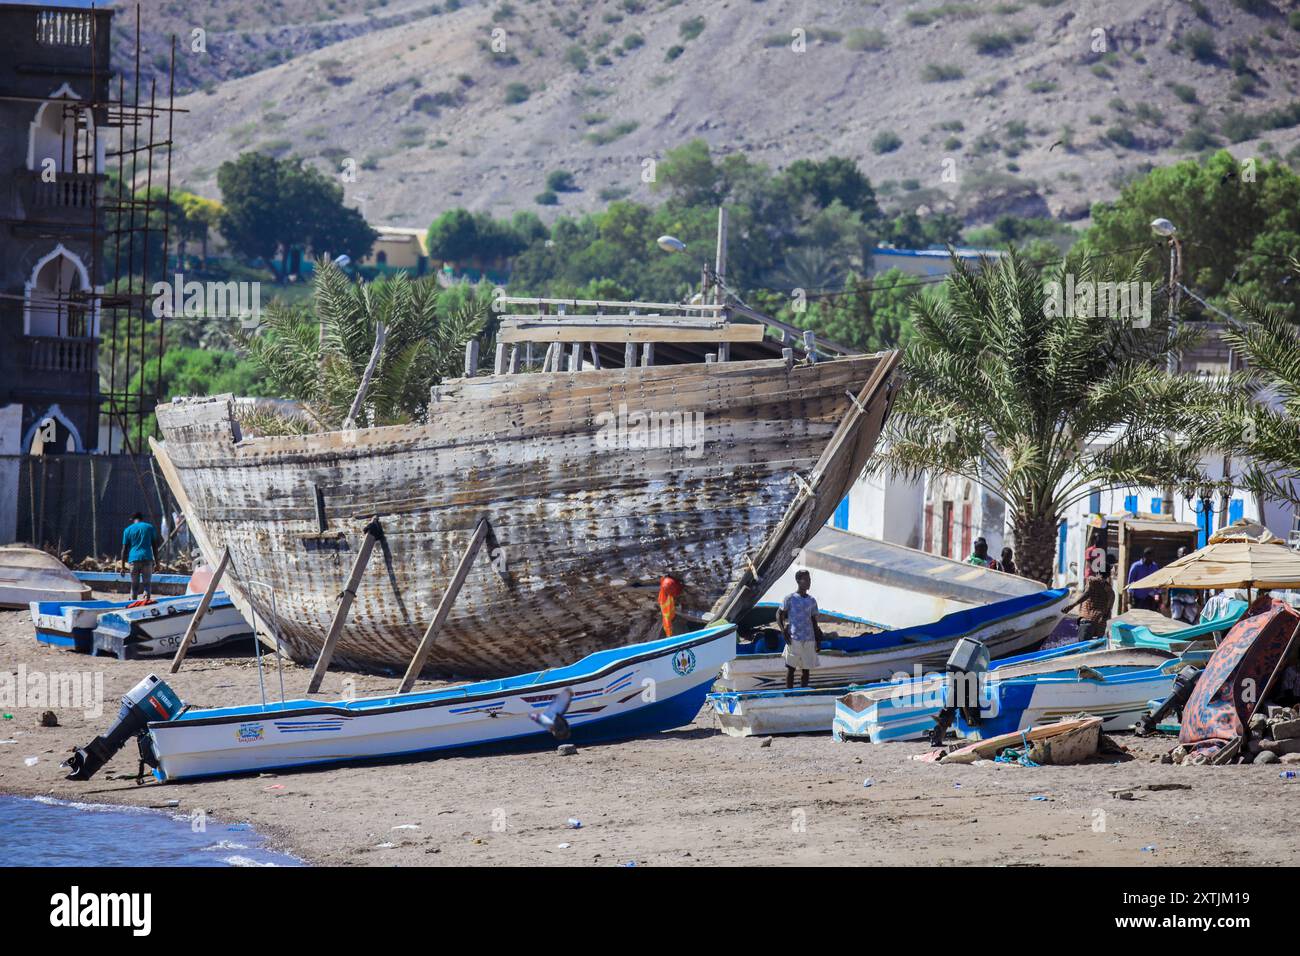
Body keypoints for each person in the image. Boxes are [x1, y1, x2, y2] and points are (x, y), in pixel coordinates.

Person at [777, 569, 822, 689]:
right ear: (798, 581)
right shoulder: (790, 598)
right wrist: (783, 631)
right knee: (791, 668)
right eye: (806, 580)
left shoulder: (812, 601)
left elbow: (813, 621)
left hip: (809, 639)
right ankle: (789, 693)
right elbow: (779, 614)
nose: (808, 582)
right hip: (794, 638)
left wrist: (818, 639)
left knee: (806, 669)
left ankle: (803, 692)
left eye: (809, 580)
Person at [1062, 564, 1114, 642]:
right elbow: (1108, 611)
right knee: (1093, 651)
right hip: (1100, 626)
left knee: (1082, 649)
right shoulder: (1111, 592)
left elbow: (1086, 594)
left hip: (1087, 621)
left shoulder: (1092, 581)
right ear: (1109, 575)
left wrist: (1071, 606)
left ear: (1097, 572)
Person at [120, 512, 162, 601]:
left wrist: (122, 567)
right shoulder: (149, 527)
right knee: (147, 584)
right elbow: (154, 547)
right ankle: (146, 601)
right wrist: (157, 564)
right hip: (147, 559)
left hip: (133, 560)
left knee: (134, 585)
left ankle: (133, 603)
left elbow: (124, 549)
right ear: (141, 519)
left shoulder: (128, 530)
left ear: (133, 520)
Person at [1167, 546, 1199, 623]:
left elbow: (1196, 582)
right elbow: (1169, 584)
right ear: (1178, 555)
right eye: (1182, 553)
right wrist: (1167, 600)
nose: (1185, 555)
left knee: (1191, 618)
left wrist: (1199, 597)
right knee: (1176, 618)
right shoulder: (1174, 567)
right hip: (1176, 596)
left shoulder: (1192, 567)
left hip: (1190, 595)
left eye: (1186, 553)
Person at [1127, 547, 1162, 612]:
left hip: (1150, 598)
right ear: (1145, 556)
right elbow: (1130, 583)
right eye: (1151, 556)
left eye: (1153, 556)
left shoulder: (1154, 566)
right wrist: (1130, 600)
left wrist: (1157, 600)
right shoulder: (1136, 566)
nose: (1152, 558)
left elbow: (1157, 586)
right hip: (1138, 598)